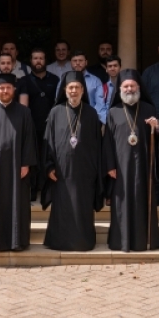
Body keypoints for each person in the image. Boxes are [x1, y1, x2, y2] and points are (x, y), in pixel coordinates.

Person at [42, 71, 103, 252]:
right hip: (61, 172)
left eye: (77, 87)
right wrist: (49, 166)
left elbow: (97, 146)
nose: (74, 91)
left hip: (85, 173)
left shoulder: (91, 114)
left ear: (83, 90)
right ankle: (58, 242)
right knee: (62, 208)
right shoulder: (55, 112)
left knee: (82, 208)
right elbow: (48, 142)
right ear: (65, 90)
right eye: (71, 87)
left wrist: (95, 171)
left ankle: (83, 242)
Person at [103, 69, 159, 252]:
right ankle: (122, 242)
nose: (129, 89)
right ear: (120, 88)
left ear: (139, 88)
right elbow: (107, 142)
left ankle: (145, 240)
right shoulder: (113, 112)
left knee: (143, 200)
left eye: (132, 86)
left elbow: (158, 140)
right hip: (120, 167)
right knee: (122, 203)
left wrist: (156, 128)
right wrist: (110, 165)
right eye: (126, 86)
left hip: (143, 166)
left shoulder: (149, 109)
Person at [0, 72, 37, 251]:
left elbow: (29, 139)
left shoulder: (24, 112)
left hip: (17, 166)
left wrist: (26, 163)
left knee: (17, 202)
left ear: (14, 90)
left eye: (8, 88)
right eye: (1, 88)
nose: (5, 91)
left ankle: (17, 241)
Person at [25, 48, 60, 201]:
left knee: (49, 158)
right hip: (31, 126)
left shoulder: (55, 80)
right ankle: (32, 191)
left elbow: (58, 102)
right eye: (35, 58)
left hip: (50, 126)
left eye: (41, 58)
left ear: (46, 61)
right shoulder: (24, 81)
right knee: (32, 159)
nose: (38, 61)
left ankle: (47, 191)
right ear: (31, 61)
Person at [54, 51, 108, 123]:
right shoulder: (64, 79)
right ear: (71, 63)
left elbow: (100, 104)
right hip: (68, 119)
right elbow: (58, 99)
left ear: (86, 62)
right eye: (75, 61)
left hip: (89, 119)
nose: (77, 63)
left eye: (80, 60)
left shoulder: (95, 81)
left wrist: (100, 121)